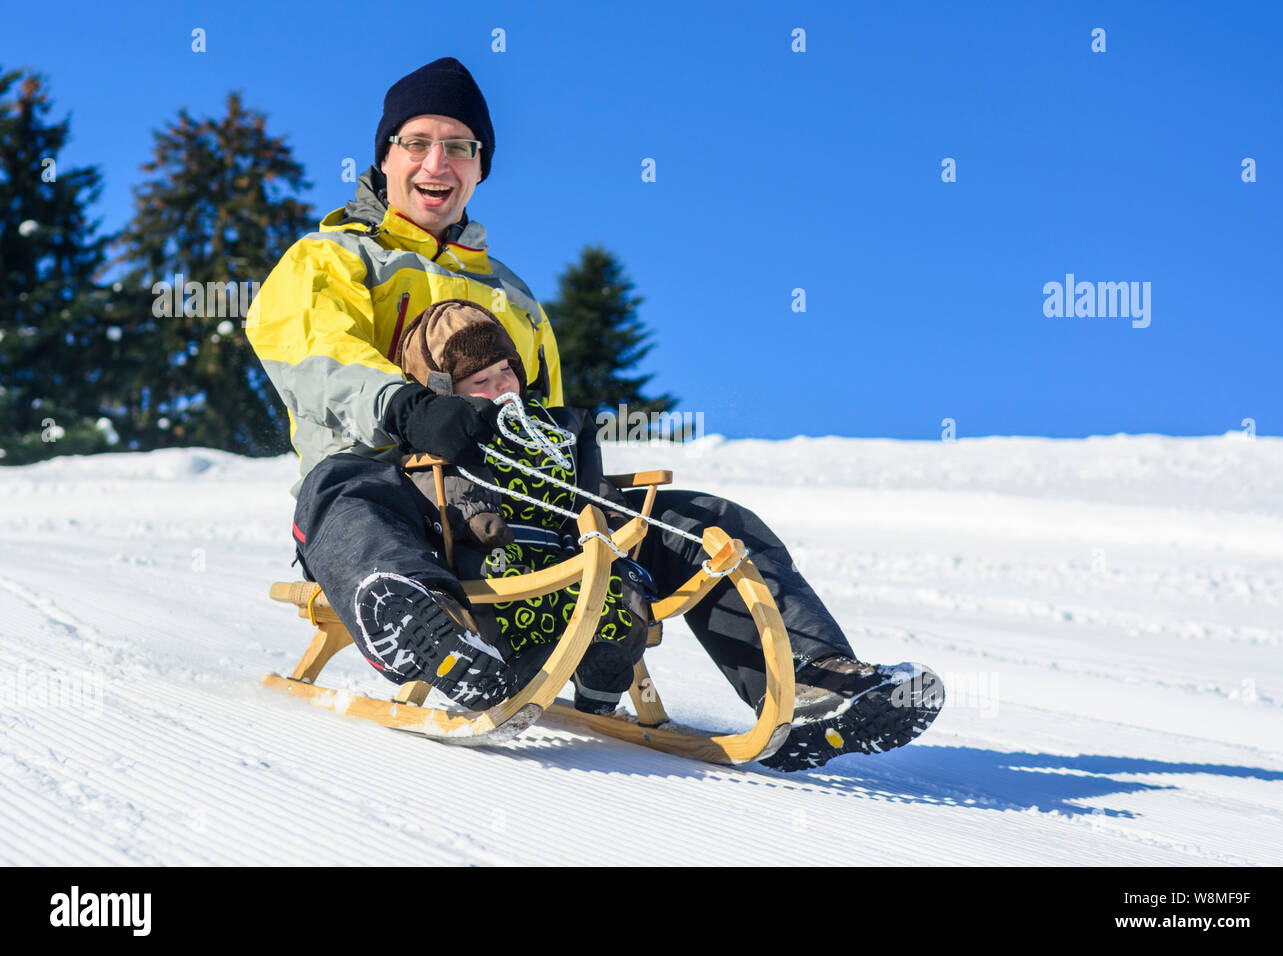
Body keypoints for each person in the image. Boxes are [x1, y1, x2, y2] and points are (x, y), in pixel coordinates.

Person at [247, 56, 944, 770]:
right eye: (417, 142)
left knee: (700, 521)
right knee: (344, 490)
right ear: (384, 156)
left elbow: (542, 412)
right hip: (393, 492)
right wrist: (405, 408)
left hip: (506, 507)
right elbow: (311, 355)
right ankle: (432, 630)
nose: (437, 162)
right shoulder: (333, 258)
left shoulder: (512, 297)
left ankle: (818, 683)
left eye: (460, 147)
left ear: (481, 166)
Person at [393, 297, 652, 715]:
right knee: (508, 584)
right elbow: (434, 479)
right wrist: (476, 515)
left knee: (612, 586)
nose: (500, 386)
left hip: (565, 546)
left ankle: (599, 670)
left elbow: (589, 483)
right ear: (445, 391)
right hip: (494, 547)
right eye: (480, 381)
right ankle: (521, 668)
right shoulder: (453, 431)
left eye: (505, 371)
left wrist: (611, 515)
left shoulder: (556, 427)